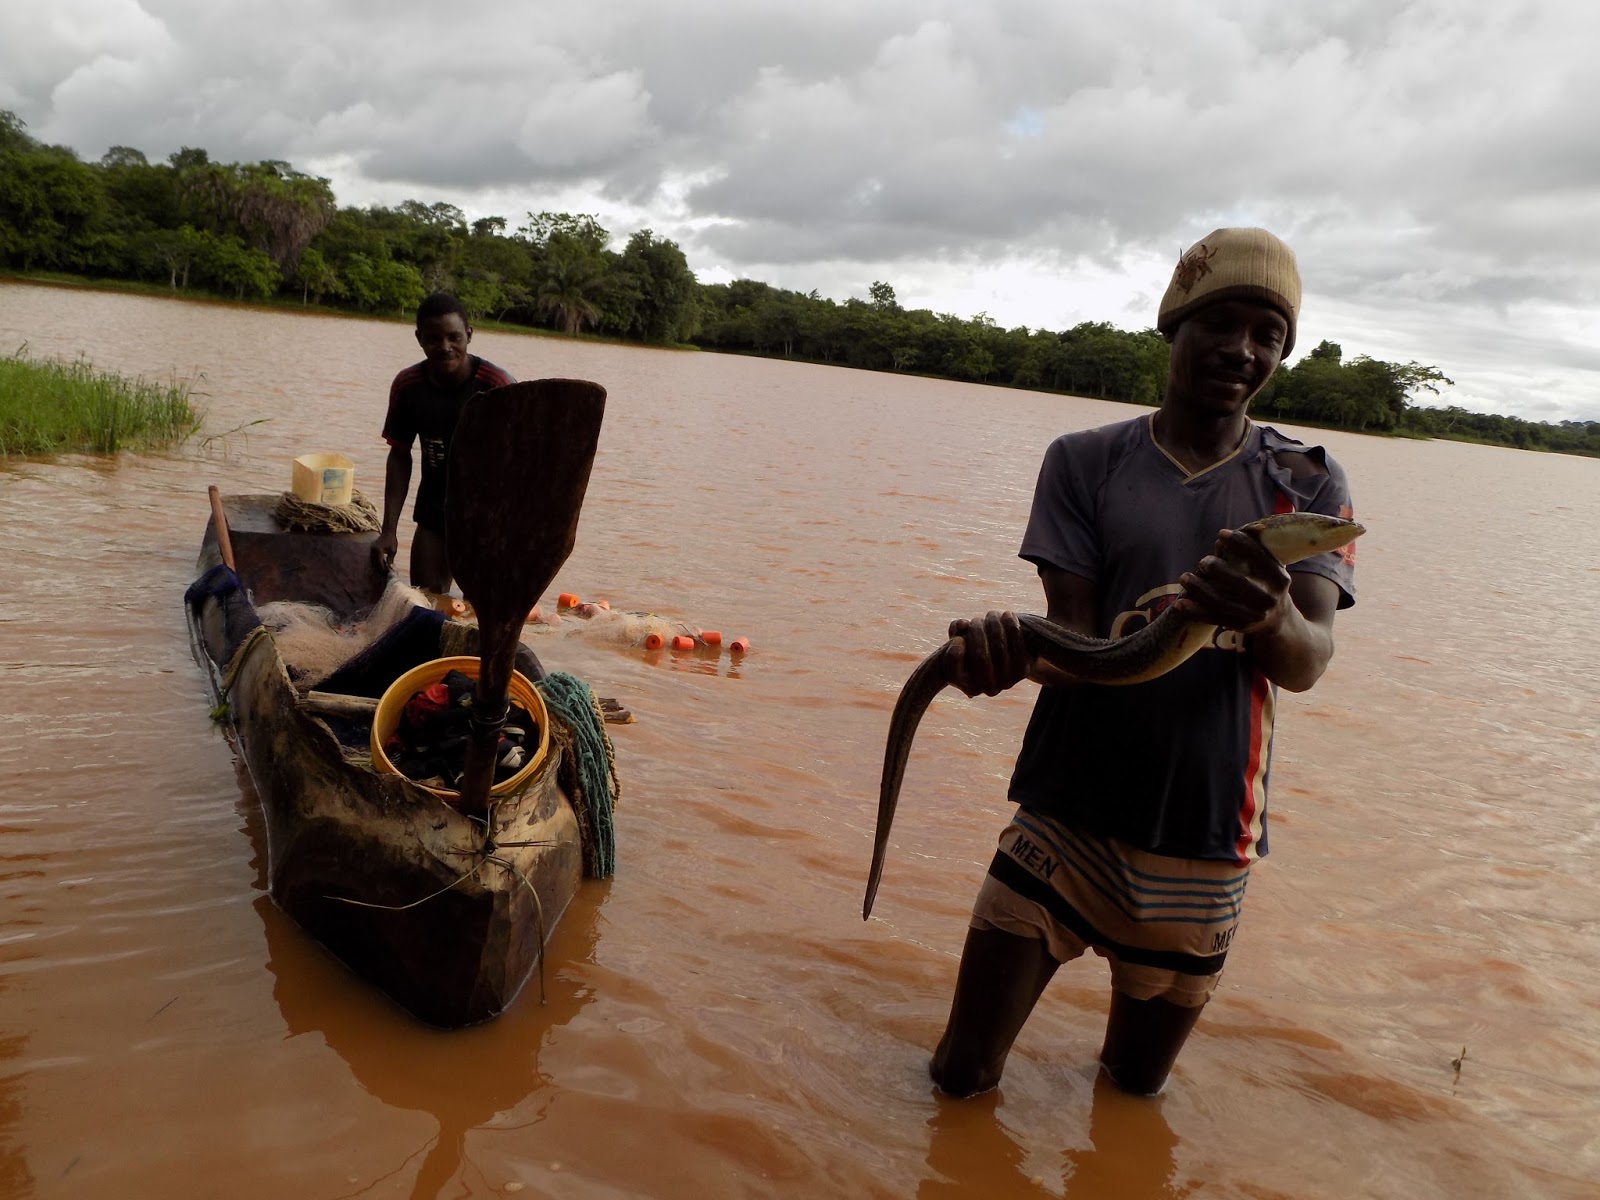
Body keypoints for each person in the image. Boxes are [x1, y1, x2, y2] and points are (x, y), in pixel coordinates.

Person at [928, 227, 1356, 1099]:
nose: (1242, 349)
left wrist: (1271, 616)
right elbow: (1077, 644)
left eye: (1267, 334)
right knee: (960, 1078)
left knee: (1131, 1092)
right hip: (1065, 815)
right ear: (1174, 325)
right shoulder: (1083, 461)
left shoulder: (1307, 482)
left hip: (1207, 839)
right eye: (1220, 323)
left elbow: (1309, 661)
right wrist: (1005, 657)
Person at [374, 292, 517, 593]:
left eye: (454, 337)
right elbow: (399, 455)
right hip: (434, 515)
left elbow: (522, 461)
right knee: (426, 604)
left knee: (482, 613)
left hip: (487, 520)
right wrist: (389, 530)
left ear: (469, 334)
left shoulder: (496, 386)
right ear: (419, 339)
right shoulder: (408, 386)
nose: (445, 347)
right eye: (433, 339)